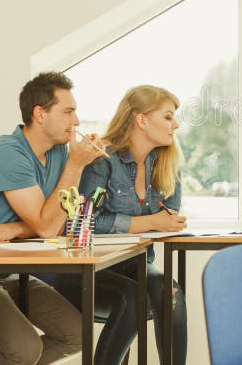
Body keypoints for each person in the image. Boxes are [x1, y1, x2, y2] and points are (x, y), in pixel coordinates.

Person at [0, 71, 102, 364]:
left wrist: (14, 228)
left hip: (9, 270)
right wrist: (76, 165)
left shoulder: (58, 153)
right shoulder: (8, 153)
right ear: (39, 114)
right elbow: (48, 224)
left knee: (77, 333)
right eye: (68, 112)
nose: (76, 121)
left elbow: (59, 223)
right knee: (25, 350)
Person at [54, 85, 189, 365]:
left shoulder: (165, 163)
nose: (175, 124)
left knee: (169, 291)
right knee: (133, 298)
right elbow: (83, 222)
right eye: (167, 117)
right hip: (92, 271)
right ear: (141, 120)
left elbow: (169, 219)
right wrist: (151, 222)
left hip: (136, 265)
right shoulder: (102, 160)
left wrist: (164, 221)